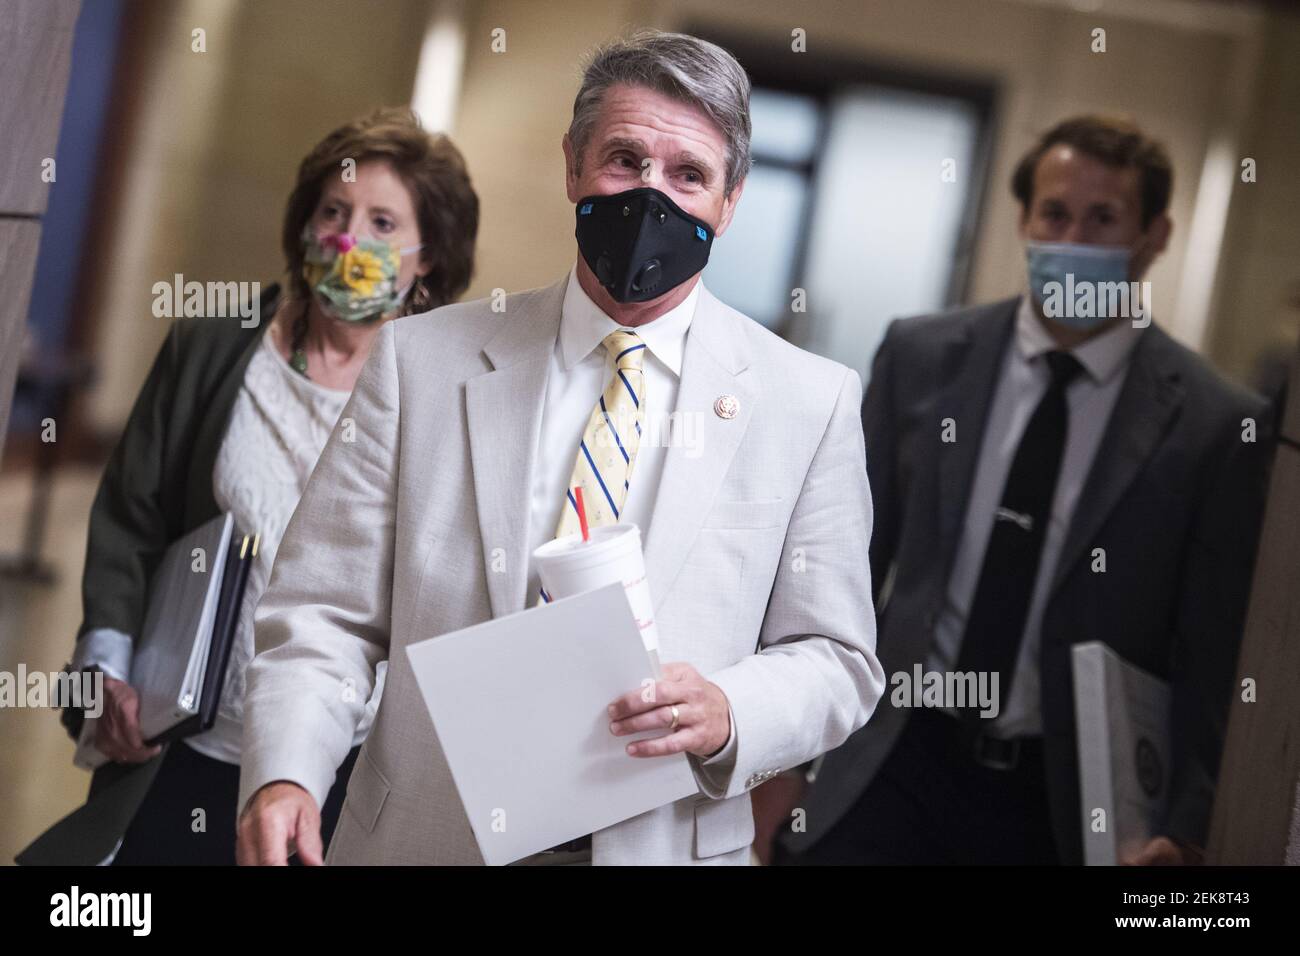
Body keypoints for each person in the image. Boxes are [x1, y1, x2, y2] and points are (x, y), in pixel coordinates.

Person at [235, 30, 885, 867]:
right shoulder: (420, 361)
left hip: (664, 844)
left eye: (688, 174)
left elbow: (837, 659)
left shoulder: (810, 401)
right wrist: (286, 773)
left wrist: (732, 707)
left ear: (731, 200)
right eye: (624, 160)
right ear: (573, 166)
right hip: (422, 839)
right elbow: (324, 612)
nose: (653, 197)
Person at [774, 115, 1273, 866]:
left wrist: (1186, 823)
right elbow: (845, 563)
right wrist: (777, 752)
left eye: (1103, 218)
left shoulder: (1215, 424)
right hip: (894, 755)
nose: (1072, 237)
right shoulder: (923, 356)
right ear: (1024, 220)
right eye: (1055, 214)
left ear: (1154, 237)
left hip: (1059, 802)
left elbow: (1212, 653)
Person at [55, 107, 479, 865]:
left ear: (429, 260)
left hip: (339, 766)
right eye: (334, 212)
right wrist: (105, 667)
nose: (350, 239)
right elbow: (130, 517)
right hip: (182, 742)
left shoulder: (443, 393)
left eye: (384, 223)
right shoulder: (213, 345)